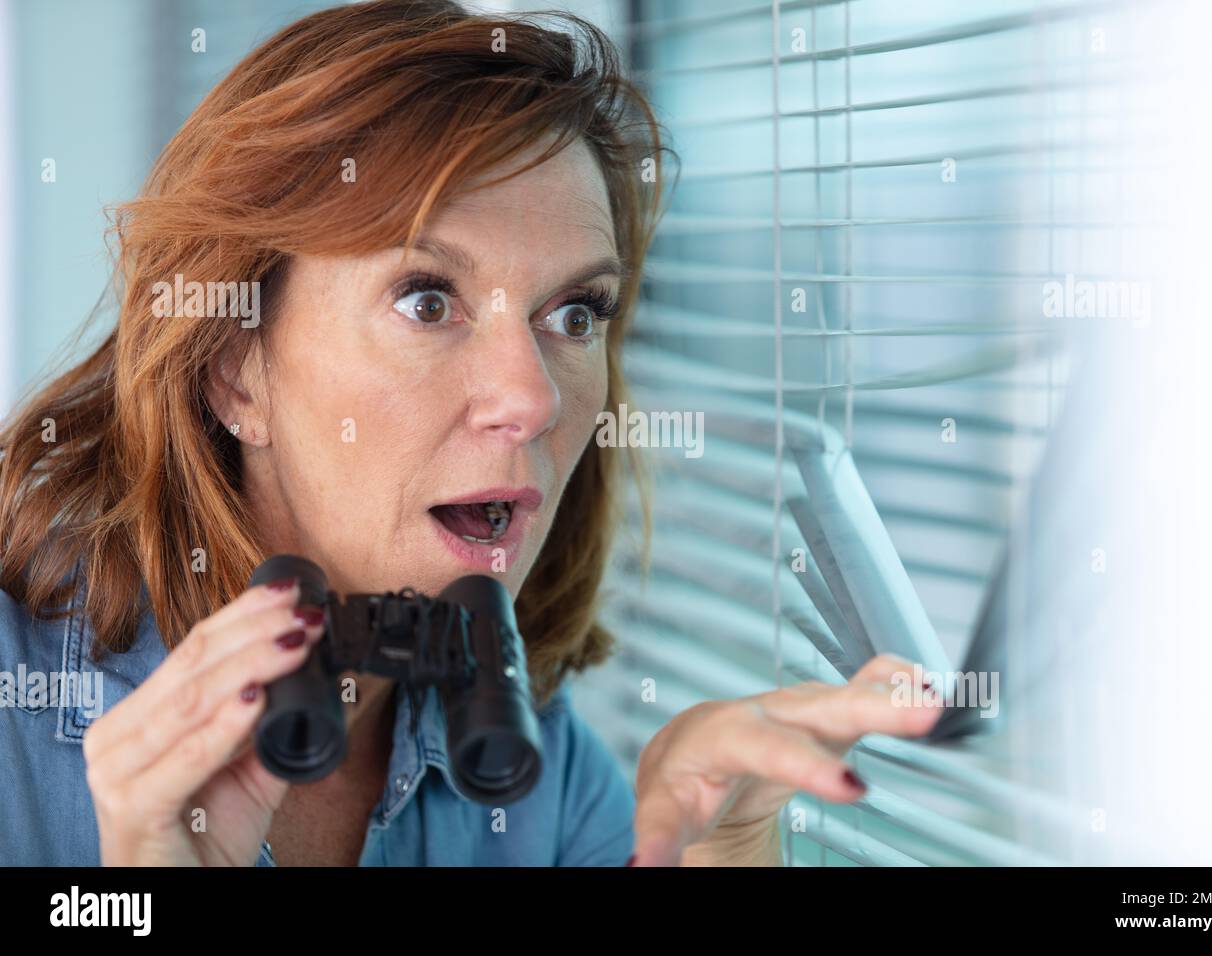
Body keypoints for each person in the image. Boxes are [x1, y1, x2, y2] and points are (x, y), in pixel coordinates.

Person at [0, 0, 940, 867]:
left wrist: (726, 853)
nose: (531, 400)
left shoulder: (540, 768)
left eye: (576, 314)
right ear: (234, 372)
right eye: (426, 298)